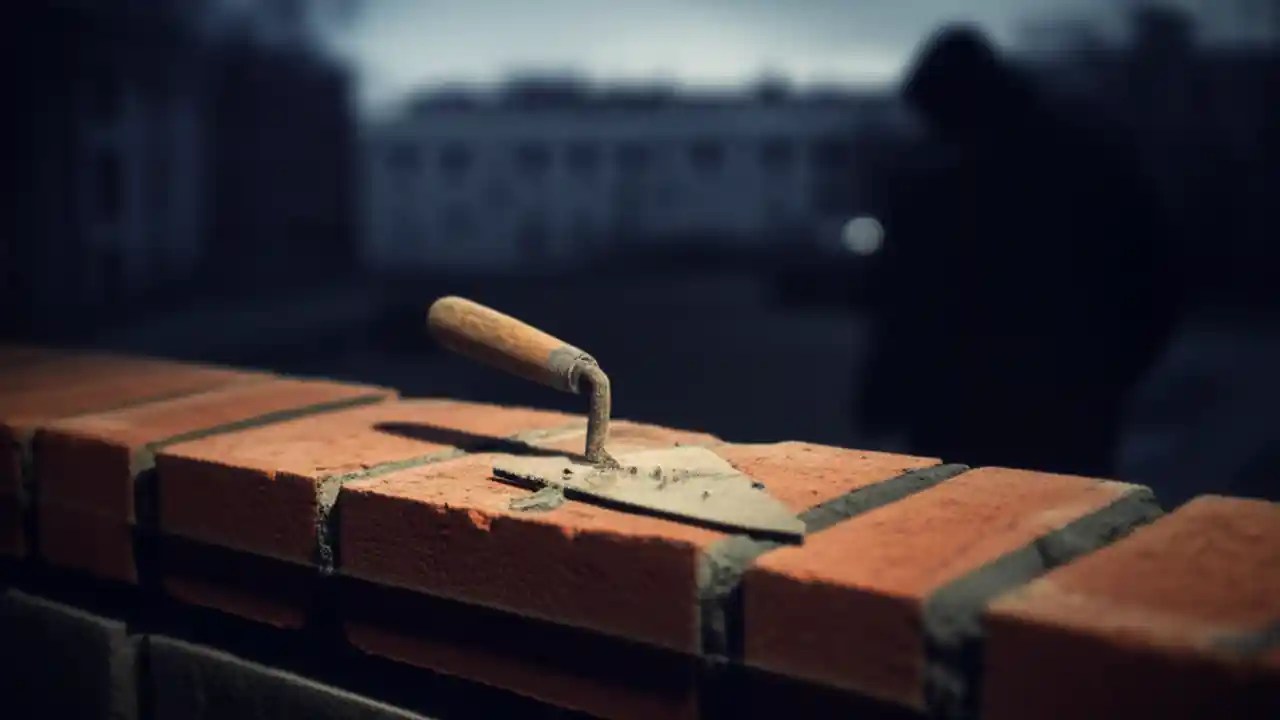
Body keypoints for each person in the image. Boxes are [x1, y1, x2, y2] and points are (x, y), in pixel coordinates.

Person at [857, 25, 1180, 478]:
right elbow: (1157, 275)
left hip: (997, 414)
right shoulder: (1085, 155)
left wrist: (886, 391)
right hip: (1053, 412)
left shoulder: (939, 181)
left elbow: (905, 304)